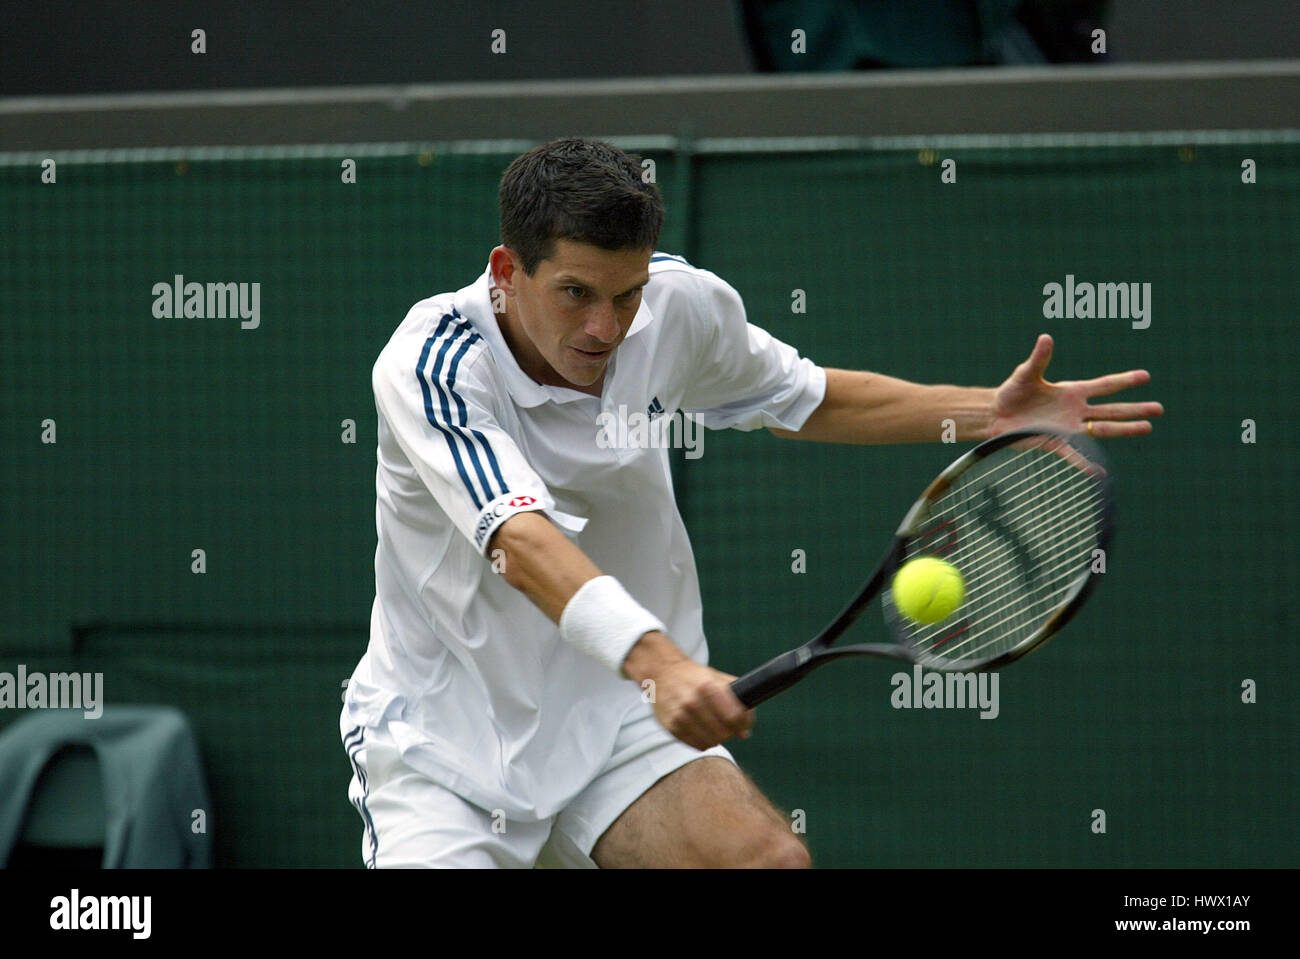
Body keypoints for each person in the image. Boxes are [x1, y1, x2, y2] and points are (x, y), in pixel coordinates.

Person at [339, 137, 1162, 868]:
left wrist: (992, 413)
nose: (605, 327)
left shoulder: (679, 309)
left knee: (766, 859)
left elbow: (806, 397)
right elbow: (521, 542)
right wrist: (660, 661)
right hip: (446, 745)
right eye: (576, 293)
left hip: (619, 722)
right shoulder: (434, 366)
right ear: (507, 270)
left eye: (625, 295)